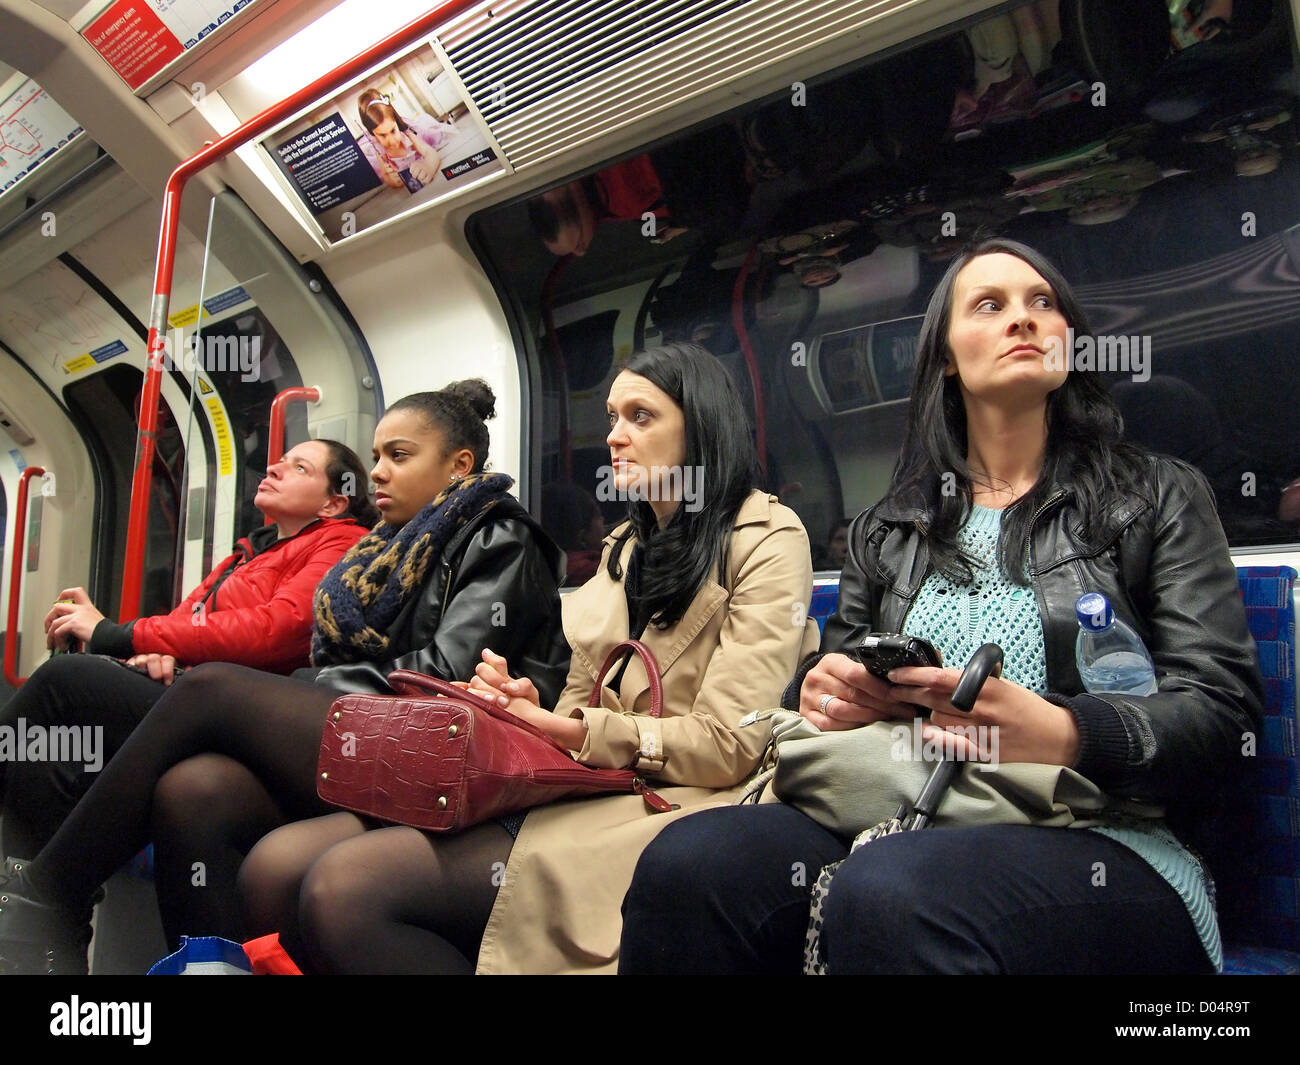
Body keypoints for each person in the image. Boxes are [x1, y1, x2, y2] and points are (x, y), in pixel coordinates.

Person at [619, 239, 1264, 975]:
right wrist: (830, 693)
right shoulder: (888, 528)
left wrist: (1063, 730)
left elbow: (1221, 713)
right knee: (689, 863)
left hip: (1105, 838)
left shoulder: (1154, 496)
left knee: (893, 891)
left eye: (1043, 303)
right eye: (991, 305)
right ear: (947, 358)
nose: (1024, 318)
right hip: (901, 807)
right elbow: (821, 685)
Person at [233, 342, 820, 974]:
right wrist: (527, 706)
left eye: (641, 418)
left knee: (345, 890)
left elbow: (732, 743)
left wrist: (571, 729)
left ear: (701, 427)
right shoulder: (625, 546)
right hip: (583, 778)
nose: (616, 437)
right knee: (276, 865)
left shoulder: (767, 539)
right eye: (613, 418)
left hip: (673, 798)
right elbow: (581, 697)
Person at [0, 381, 570, 973]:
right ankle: (209, 967)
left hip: (443, 746)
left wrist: (302, 686)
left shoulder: (501, 536)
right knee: (194, 789)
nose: (376, 473)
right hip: (377, 735)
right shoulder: (382, 553)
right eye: (375, 457)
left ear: (459, 466)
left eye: (398, 457)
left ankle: (46, 901)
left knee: (209, 687)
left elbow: (447, 678)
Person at [0, 439, 375, 860]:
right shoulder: (248, 553)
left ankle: (40, 895)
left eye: (299, 468)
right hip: (194, 690)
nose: (273, 468)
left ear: (332, 504)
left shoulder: (343, 543)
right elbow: (183, 623)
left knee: (63, 683)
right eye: (280, 460)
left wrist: (115, 634)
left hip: (246, 711)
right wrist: (156, 653)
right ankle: (25, 884)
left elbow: (279, 629)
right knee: (56, 744)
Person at [360, 100, 445, 191]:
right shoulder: (380, 151)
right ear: (373, 135)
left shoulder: (407, 137)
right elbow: (386, 176)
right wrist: (392, 180)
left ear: (396, 122)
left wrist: (428, 166)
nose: (392, 141)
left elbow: (431, 152)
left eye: (393, 131)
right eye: (382, 135)